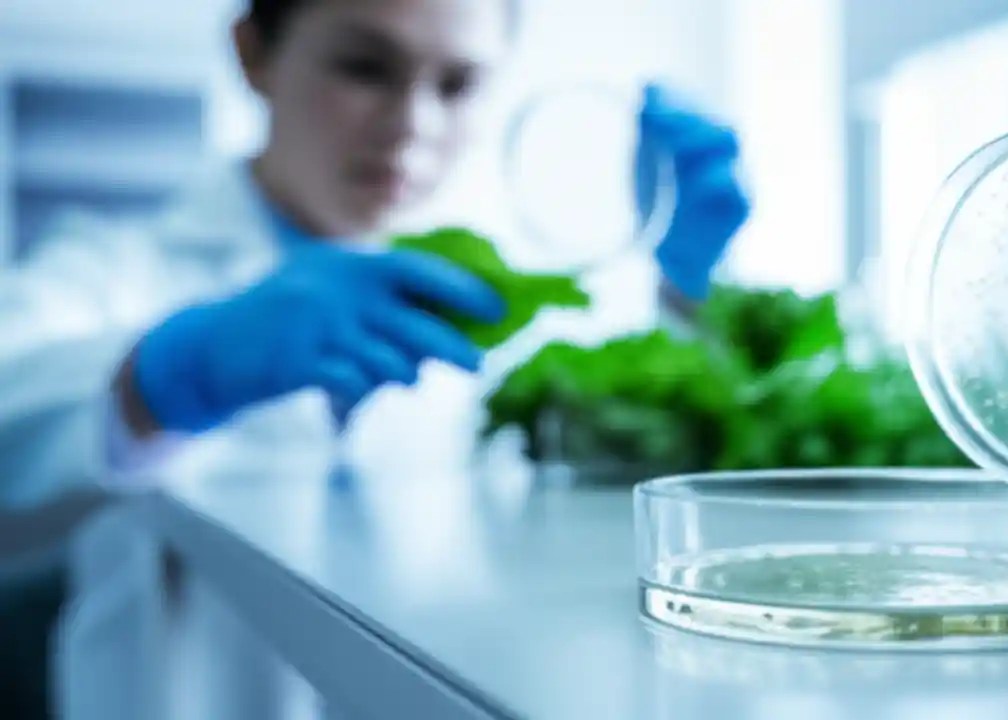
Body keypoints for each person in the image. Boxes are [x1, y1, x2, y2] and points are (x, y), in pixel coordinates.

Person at [0, 0, 749, 716]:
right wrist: (172, 372)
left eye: (458, 85)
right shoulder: (113, 272)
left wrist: (689, 297)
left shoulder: (495, 309)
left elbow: (627, 488)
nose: (412, 125)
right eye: (364, 67)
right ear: (253, 54)